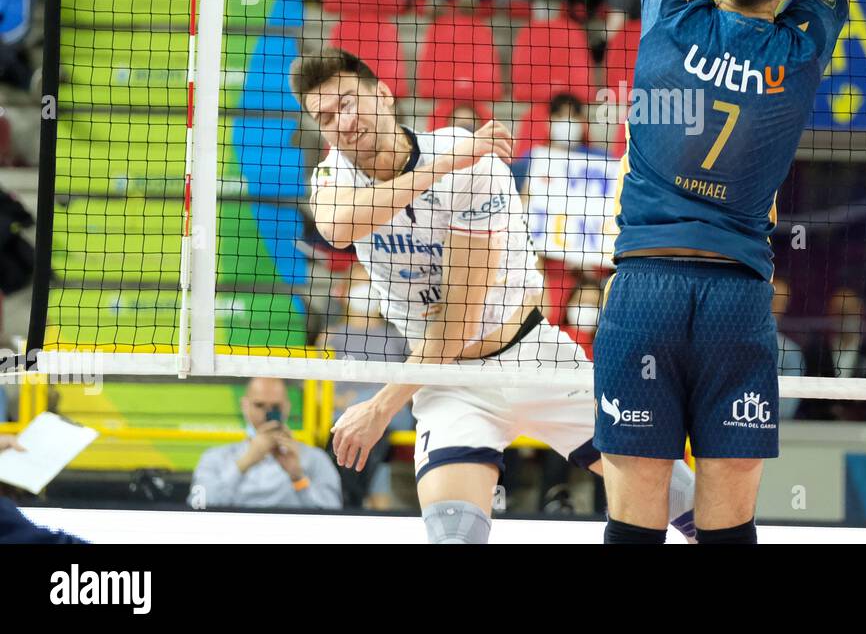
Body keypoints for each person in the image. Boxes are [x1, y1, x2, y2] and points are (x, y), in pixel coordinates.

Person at [592, 0, 866, 544]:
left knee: (635, 521)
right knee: (726, 528)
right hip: (736, 298)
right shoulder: (802, 44)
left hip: (642, 288)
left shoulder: (670, 16)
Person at [291, 48, 698, 543]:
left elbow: (459, 319)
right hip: (450, 384)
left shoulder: (471, 163)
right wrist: (434, 171)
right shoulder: (336, 176)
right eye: (326, 117)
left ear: (382, 94)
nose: (342, 122)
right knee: (455, 535)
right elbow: (336, 227)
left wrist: (379, 408)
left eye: (349, 103)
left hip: (535, 358)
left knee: (681, 499)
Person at [188, 377, 342, 510]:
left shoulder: (315, 459)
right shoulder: (215, 458)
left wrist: (298, 477)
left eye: (275, 407)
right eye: (259, 405)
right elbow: (197, 506)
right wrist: (244, 463)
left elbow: (335, 513)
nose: (267, 413)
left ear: (287, 407)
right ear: (245, 406)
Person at [771, 276, 804, 420]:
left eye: (779, 302)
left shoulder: (790, 352)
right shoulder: (732, 341)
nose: (773, 305)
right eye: (771, 299)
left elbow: (786, 409)